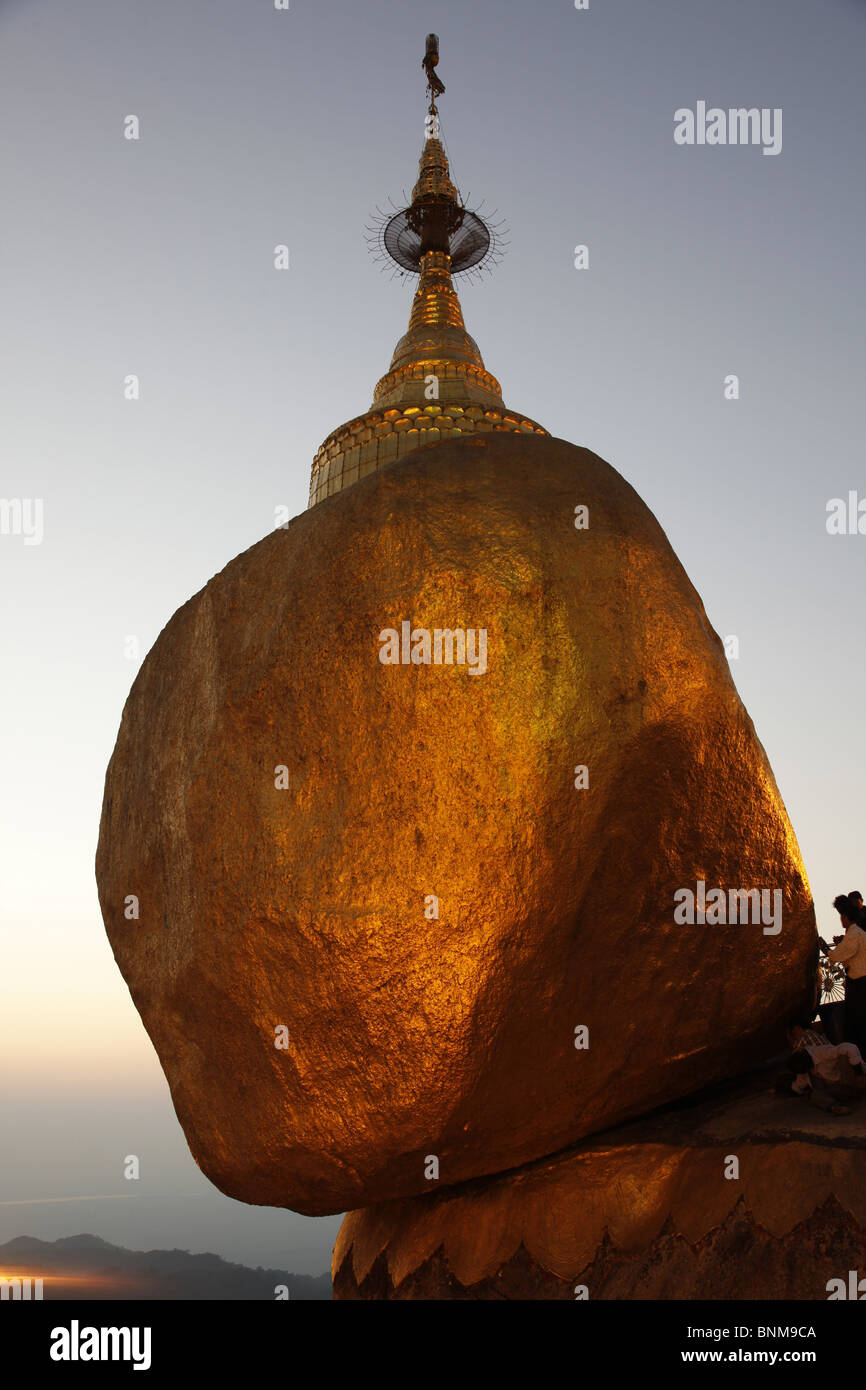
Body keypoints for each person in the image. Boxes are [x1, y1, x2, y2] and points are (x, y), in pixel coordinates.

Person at [819, 896, 866, 1052]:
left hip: (860, 984)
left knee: (856, 1022)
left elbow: (836, 956)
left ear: (845, 917)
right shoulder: (857, 933)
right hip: (858, 982)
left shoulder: (854, 934)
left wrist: (825, 948)